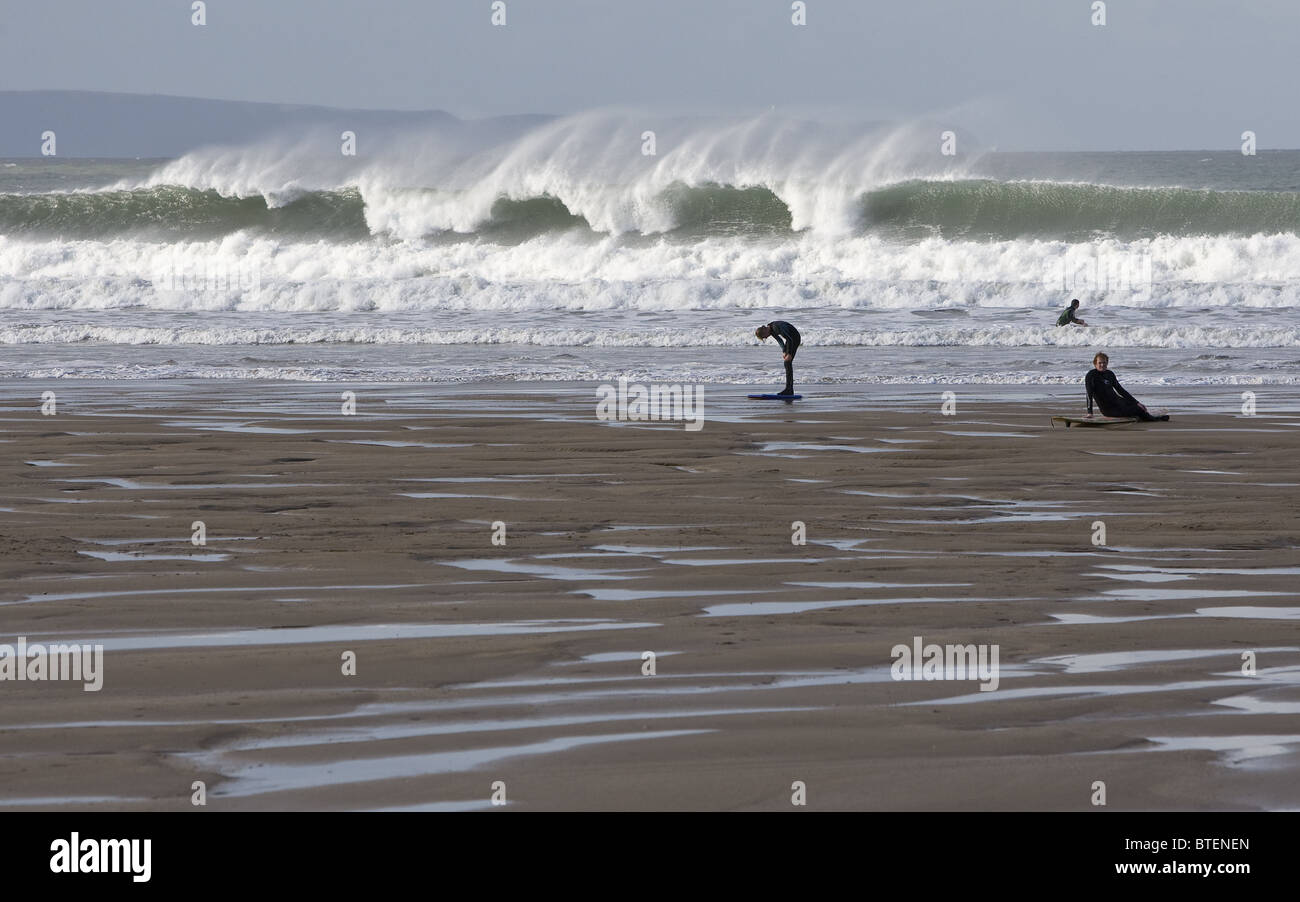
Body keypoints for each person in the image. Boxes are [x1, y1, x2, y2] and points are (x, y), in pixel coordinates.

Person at [1085, 353, 1168, 421]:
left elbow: (1121, 390)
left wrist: (1137, 402)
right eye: (1100, 363)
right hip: (1109, 409)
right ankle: (1155, 419)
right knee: (1138, 410)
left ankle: (1145, 415)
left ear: (1107, 363)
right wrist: (1090, 413)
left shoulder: (1110, 374)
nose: (1102, 365)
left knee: (1138, 407)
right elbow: (1089, 394)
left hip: (1119, 402)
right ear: (1095, 364)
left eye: (1104, 362)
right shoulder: (1091, 376)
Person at [755, 321, 801, 396]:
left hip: (795, 338)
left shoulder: (776, 327)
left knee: (787, 363)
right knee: (787, 363)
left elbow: (789, 338)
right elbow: (779, 340)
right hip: (790, 339)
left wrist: (789, 353)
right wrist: (784, 351)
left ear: (764, 330)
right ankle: (789, 389)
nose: (766, 338)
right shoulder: (771, 329)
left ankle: (789, 390)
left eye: (764, 336)